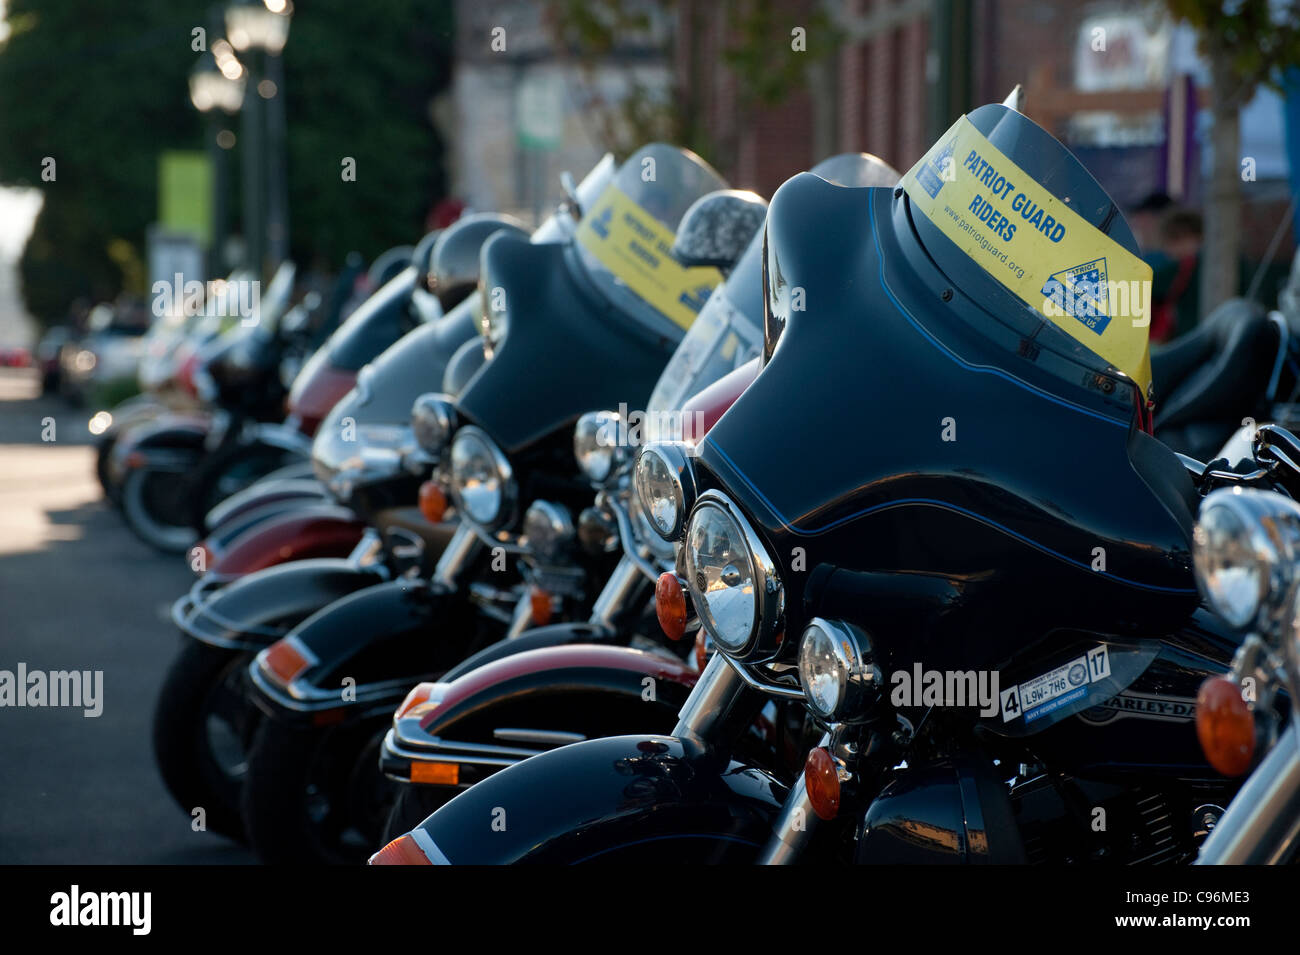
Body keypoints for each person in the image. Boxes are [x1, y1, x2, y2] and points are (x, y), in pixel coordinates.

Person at [1150, 207, 1203, 342]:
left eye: (1181, 238)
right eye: (1172, 239)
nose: (1176, 246)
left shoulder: (1178, 269)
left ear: (1198, 238)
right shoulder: (1169, 269)